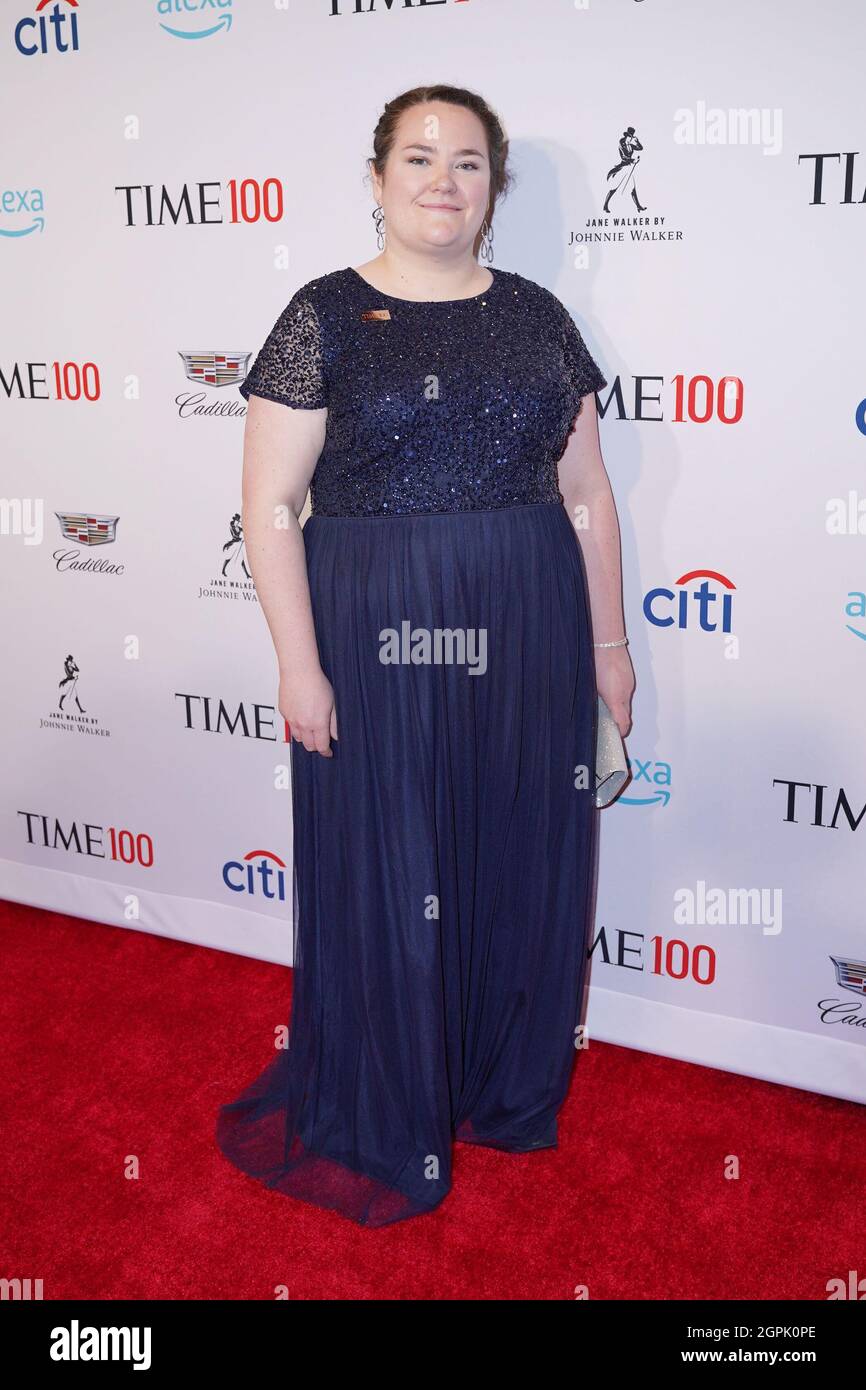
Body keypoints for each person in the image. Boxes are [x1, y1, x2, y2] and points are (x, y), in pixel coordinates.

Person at [216, 84, 635, 1227]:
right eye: (417, 158)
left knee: (509, 849)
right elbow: (268, 506)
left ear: (491, 187)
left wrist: (607, 644)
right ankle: (386, 1099)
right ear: (375, 178)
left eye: (465, 163)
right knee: (393, 863)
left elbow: (586, 489)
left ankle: (498, 1086)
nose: (441, 182)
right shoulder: (325, 314)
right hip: (371, 623)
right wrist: (300, 667)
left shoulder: (539, 315)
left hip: (529, 614)